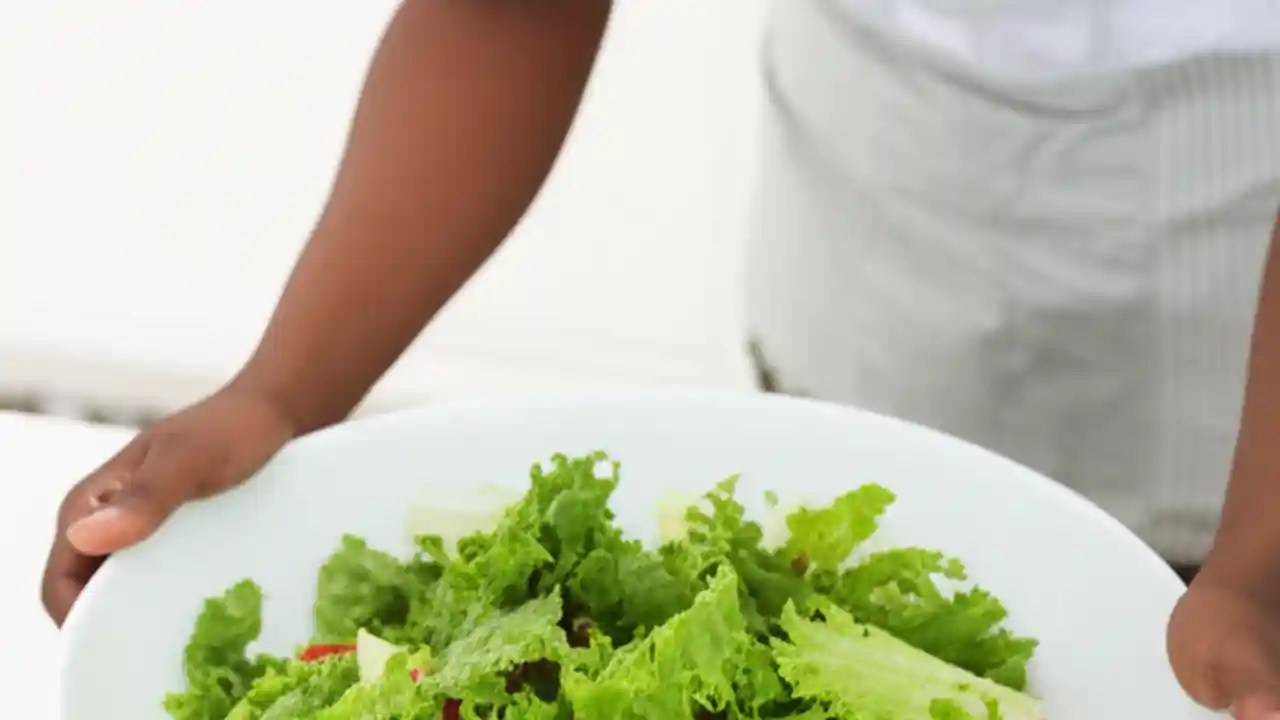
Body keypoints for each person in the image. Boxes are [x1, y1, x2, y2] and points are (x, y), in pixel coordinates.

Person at [38, 0, 1280, 714]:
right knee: (825, 572)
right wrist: (280, 387)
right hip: (873, 183)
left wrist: (1259, 568)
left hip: (1239, 250)